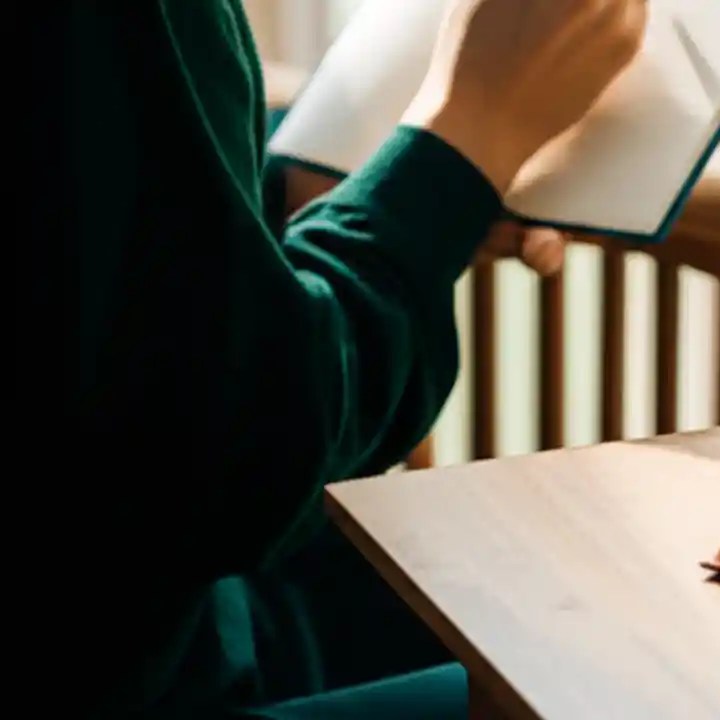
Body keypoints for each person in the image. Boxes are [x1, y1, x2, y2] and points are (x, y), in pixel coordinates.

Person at [51, 0, 647, 717]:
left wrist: (334, 200)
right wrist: (461, 148)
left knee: (567, 590)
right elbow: (242, 445)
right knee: (632, 676)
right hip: (136, 660)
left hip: (156, 606)